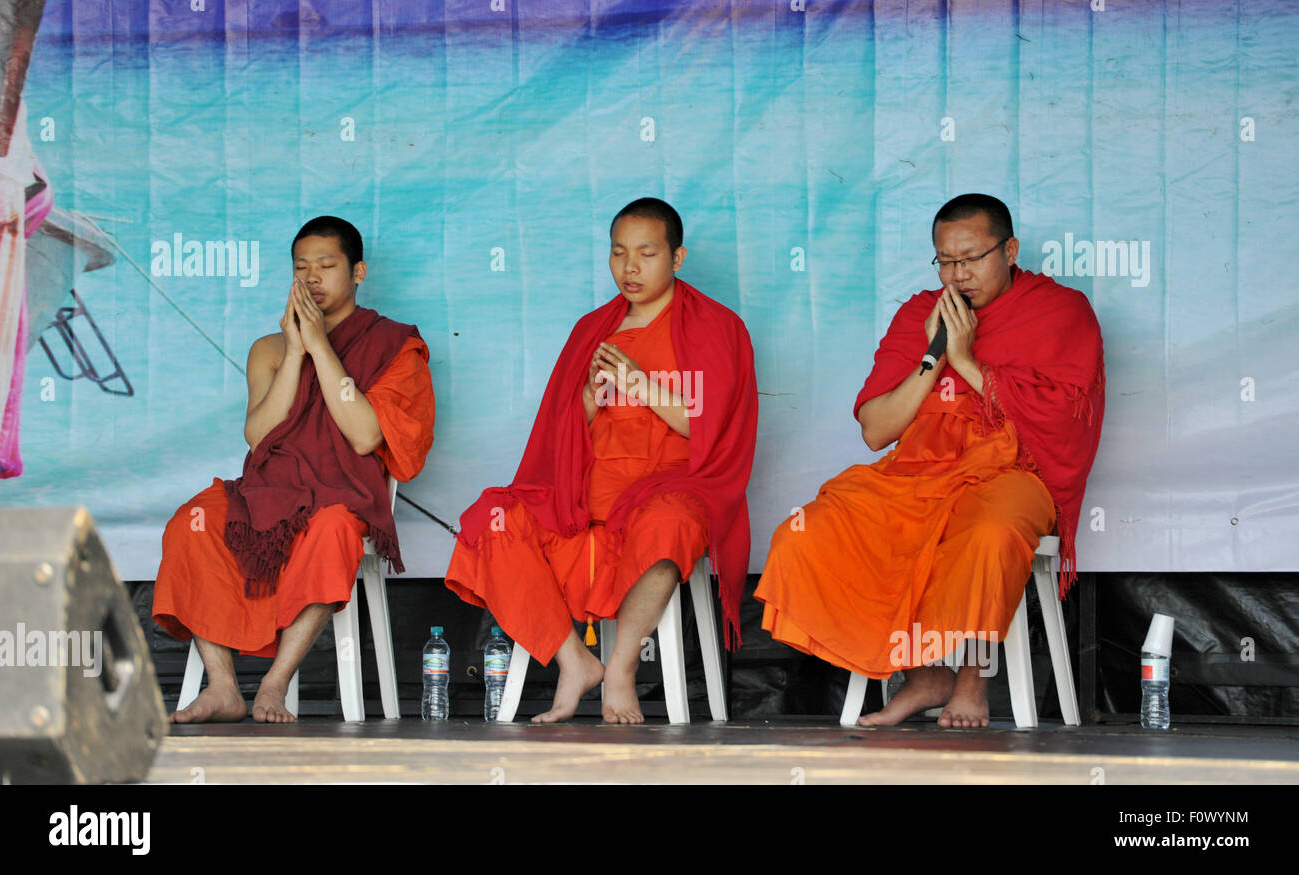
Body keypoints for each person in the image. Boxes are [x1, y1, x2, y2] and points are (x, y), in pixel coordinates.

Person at [755, 193, 1105, 728]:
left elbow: (1060, 422)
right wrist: (935, 353)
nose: (958, 274)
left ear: (1009, 250)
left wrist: (966, 362)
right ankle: (921, 674)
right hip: (917, 474)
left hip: (1013, 475)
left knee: (987, 532)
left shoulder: (1059, 310)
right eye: (946, 261)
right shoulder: (922, 313)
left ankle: (970, 680)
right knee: (808, 533)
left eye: (972, 258)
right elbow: (877, 430)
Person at [446, 197, 758, 724]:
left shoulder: (716, 327)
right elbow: (557, 435)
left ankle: (620, 669)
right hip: (587, 491)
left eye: (646, 254)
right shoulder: (593, 329)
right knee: (492, 519)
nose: (630, 268)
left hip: (671, 485)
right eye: (618, 254)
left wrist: (641, 383)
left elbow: (709, 427)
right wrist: (591, 397)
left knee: (669, 524)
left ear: (677, 258)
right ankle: (574, 660)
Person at [153, 216, 435, 723]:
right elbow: (260, 435)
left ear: (358, 273)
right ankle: (222, 686)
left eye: (326, 266)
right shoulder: (269, 348)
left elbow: (366, 435)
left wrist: (322, 349)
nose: (312, 278)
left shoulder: (393, 344)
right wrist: (295, 353)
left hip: (340, 497)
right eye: (301, 267)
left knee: (330, 532)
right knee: (190, 523)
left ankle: (274, 684)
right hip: (267, 490)